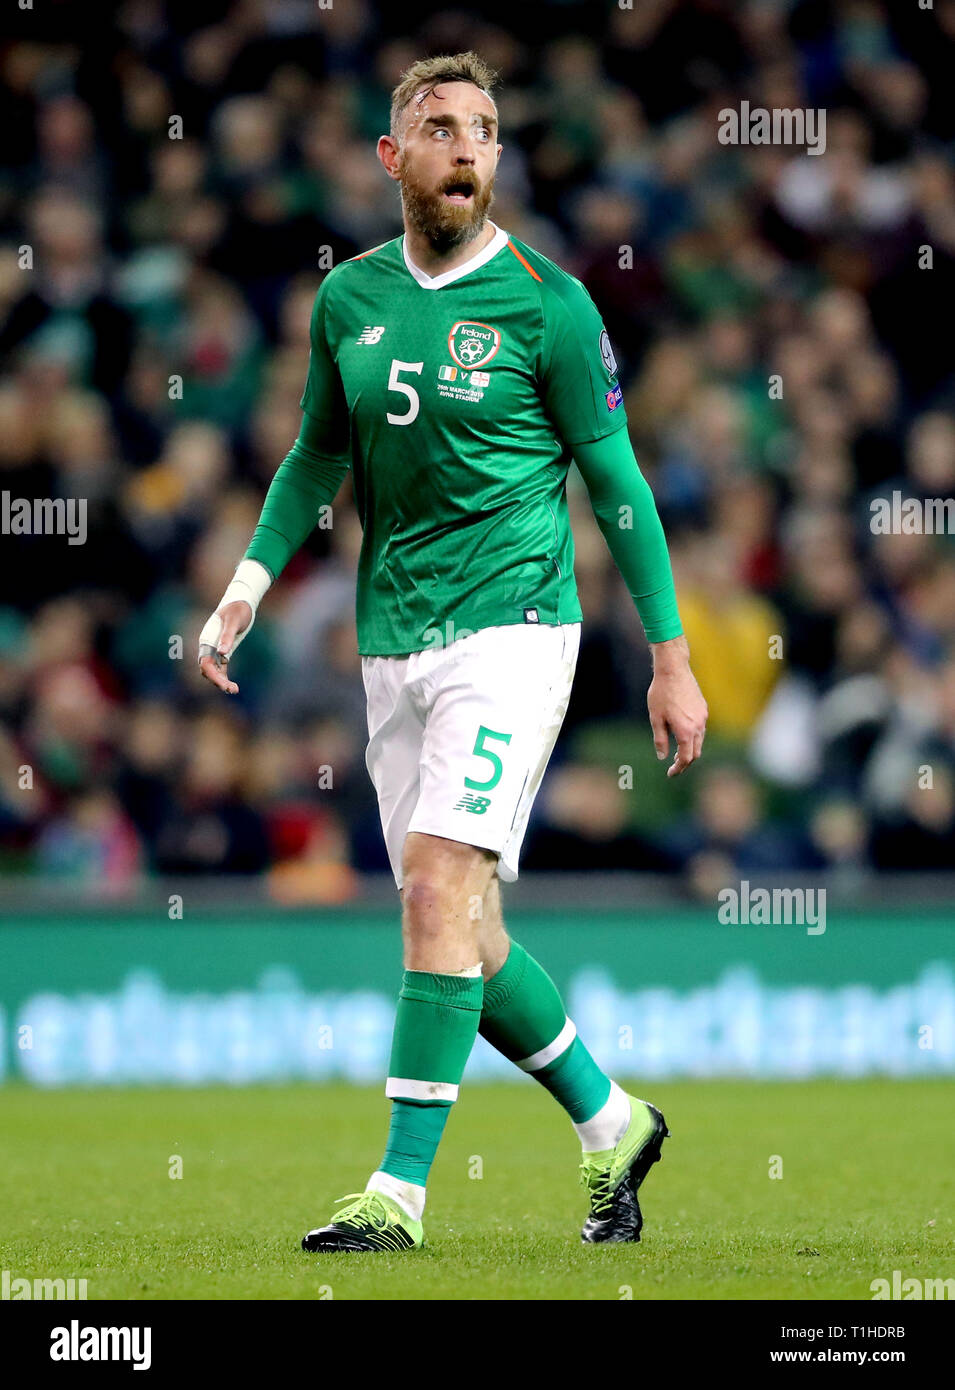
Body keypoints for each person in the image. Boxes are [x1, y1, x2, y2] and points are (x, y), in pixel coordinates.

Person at [199, 52, 707, 1253]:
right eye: (438, 127)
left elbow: (618, 483)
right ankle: (614, 1124)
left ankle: (398, 1195)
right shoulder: (350, 300)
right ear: (394, 158)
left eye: (483, 127)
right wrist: (246, 583)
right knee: (464, 931)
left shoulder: (551, 304)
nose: (466, 146)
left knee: (433, 889)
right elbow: (317, 454)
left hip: (515, 630)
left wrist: (670, 655)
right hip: (393, 640)